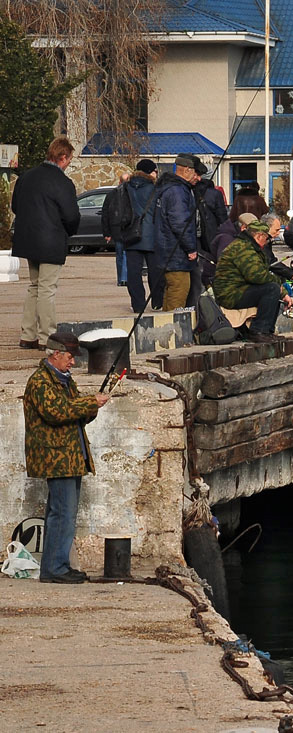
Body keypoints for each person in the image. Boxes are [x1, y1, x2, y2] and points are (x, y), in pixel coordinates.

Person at [23, 330, 111, 583]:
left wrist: (93, 406)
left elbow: (75, 413)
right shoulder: (40, 381)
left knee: (62, 512)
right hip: (57, 460)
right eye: (70, 357)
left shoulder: (64, 380)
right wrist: (89, 402)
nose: (73, 362)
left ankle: (57, 564)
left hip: (71, 457)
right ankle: (55, 568)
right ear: (56, 355)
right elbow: (57, 412)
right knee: (62, 512)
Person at [13, 137, 81, 350]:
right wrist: (67, 232)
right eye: (69, 159)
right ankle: (47, 337)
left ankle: (28, 335)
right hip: (51, 240)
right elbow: (71, 216)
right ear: (62, 157)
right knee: (47, 289)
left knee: (34, 287)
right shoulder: (63, 183)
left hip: (28, 239)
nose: (69, 163)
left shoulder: (26, 177)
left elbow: (16, 206)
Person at [212, 220, 293, 341]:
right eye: (266, 238)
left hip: (240, 289)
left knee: (273, 288)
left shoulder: (250, 247)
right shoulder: (243, 249)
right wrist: (279, 285)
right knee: (271, 289)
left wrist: (283, 293)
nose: (267, 241)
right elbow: (257, 276)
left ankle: (267, 331)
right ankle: (259, 331)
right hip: (230, 293)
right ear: (259, 235)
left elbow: (261, 274)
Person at [106, 160, 160, 311]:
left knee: (133, 272)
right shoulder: (154, 188)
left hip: (130, 234)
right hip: (151, 234)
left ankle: (138, 305)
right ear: (149, 172)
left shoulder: (125, 187)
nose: (156, 174)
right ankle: (157, 302)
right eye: (155, 171)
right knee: (155, 271)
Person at [154, 154, 201, 311]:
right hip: (175, 255)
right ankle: (173, 331)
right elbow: (181, 223)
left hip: (167, 252)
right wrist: (191, 248)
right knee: (178, 294)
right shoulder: (178, 192)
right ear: (187, 170)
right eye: (196, 173)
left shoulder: (168, 188)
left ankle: (165, 327)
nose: (198, 178)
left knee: (170, 293)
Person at [192, 161, 229, 289]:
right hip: (211, 234)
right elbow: (222, 217)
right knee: (211, 263)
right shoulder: (214, 194)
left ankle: (198, 290)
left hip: (193, 234)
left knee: (197, 264)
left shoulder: (191, 191)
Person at [100, 171, 132, 286]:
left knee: (120, 254)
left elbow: (105, 214)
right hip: (128, 228)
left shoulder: (111, 195)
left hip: (116, 228)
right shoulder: (132, 194)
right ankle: (126, 278)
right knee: (127, 254)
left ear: (119, 181)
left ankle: (121, 279)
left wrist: (107, 233)